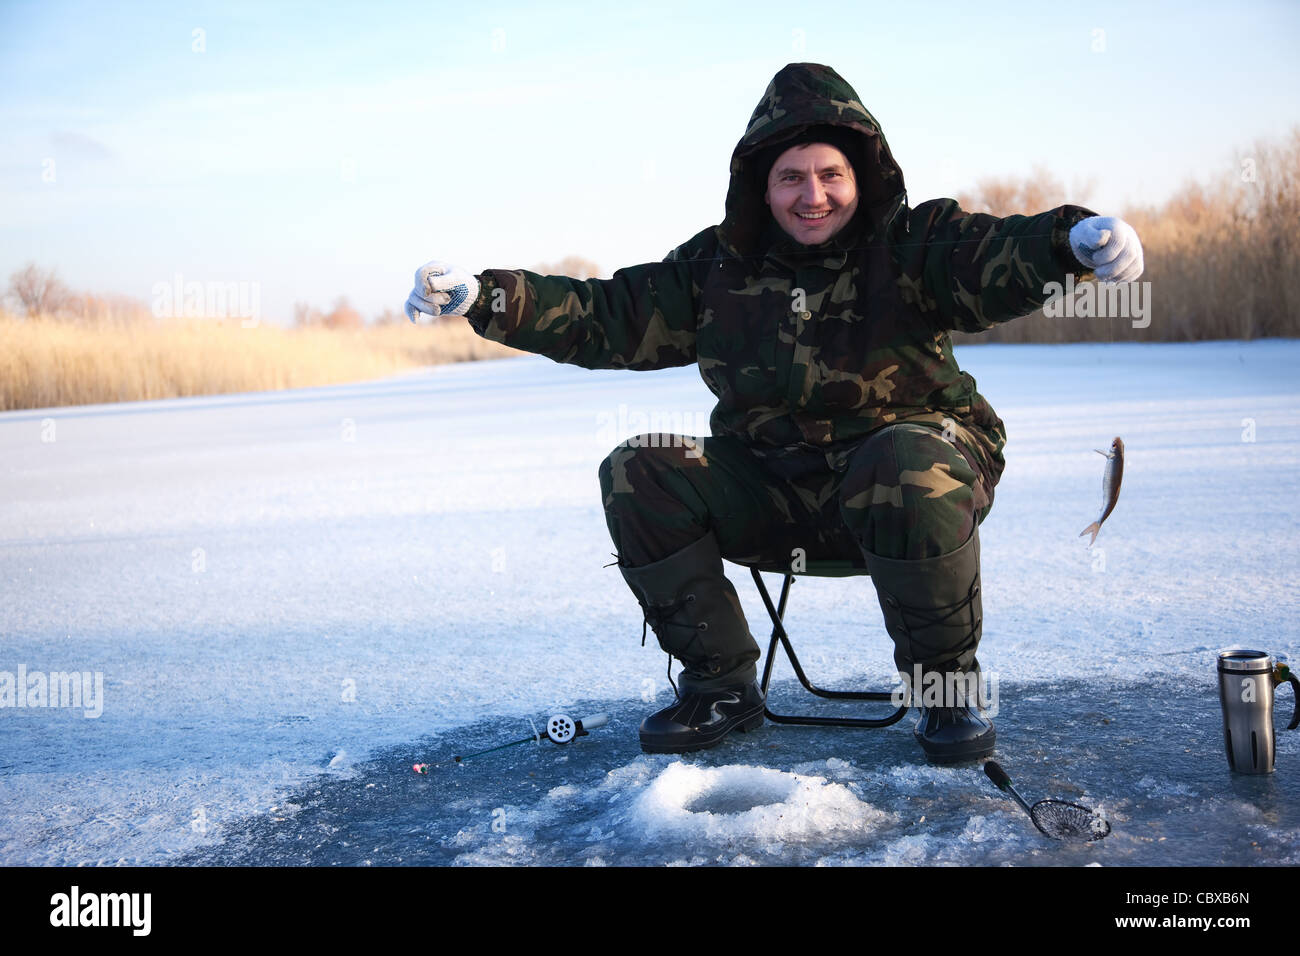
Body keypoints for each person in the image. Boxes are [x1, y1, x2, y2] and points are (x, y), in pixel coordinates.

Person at [404, 63, 1144, 764]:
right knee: (640, 467)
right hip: (771, 488)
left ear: (863, 177)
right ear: (762, 186)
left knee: (902, 462)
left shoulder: (915, 245)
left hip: (911, 481)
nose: (811, 195)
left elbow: (995, 258)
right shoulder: (716, 265)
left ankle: (945, 690)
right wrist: (486, 296)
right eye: (791, 177)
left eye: (831, 175)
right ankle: (720, 688)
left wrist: (1070, 242)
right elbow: (607, 314)